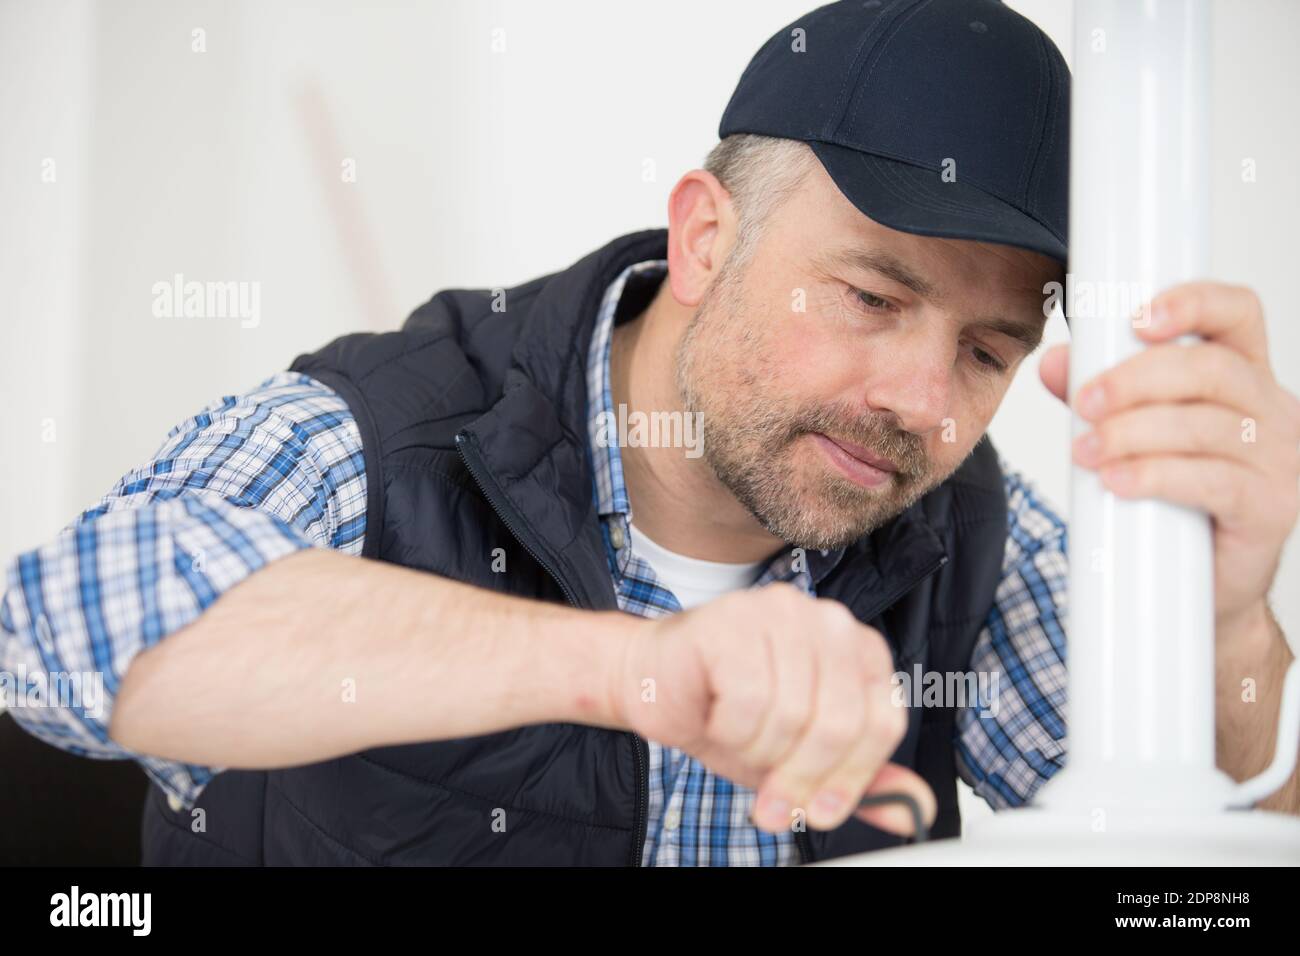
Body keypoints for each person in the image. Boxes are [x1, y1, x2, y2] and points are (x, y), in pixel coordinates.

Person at [3, 0, 1297, 866]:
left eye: (987, 351)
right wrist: (635, 673)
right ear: (704, 237)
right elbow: (50, 638)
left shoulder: (964, 527)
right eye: (869, 296)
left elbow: (1198, 853)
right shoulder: (384, 433)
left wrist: (1227, 632)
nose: (922, 400)